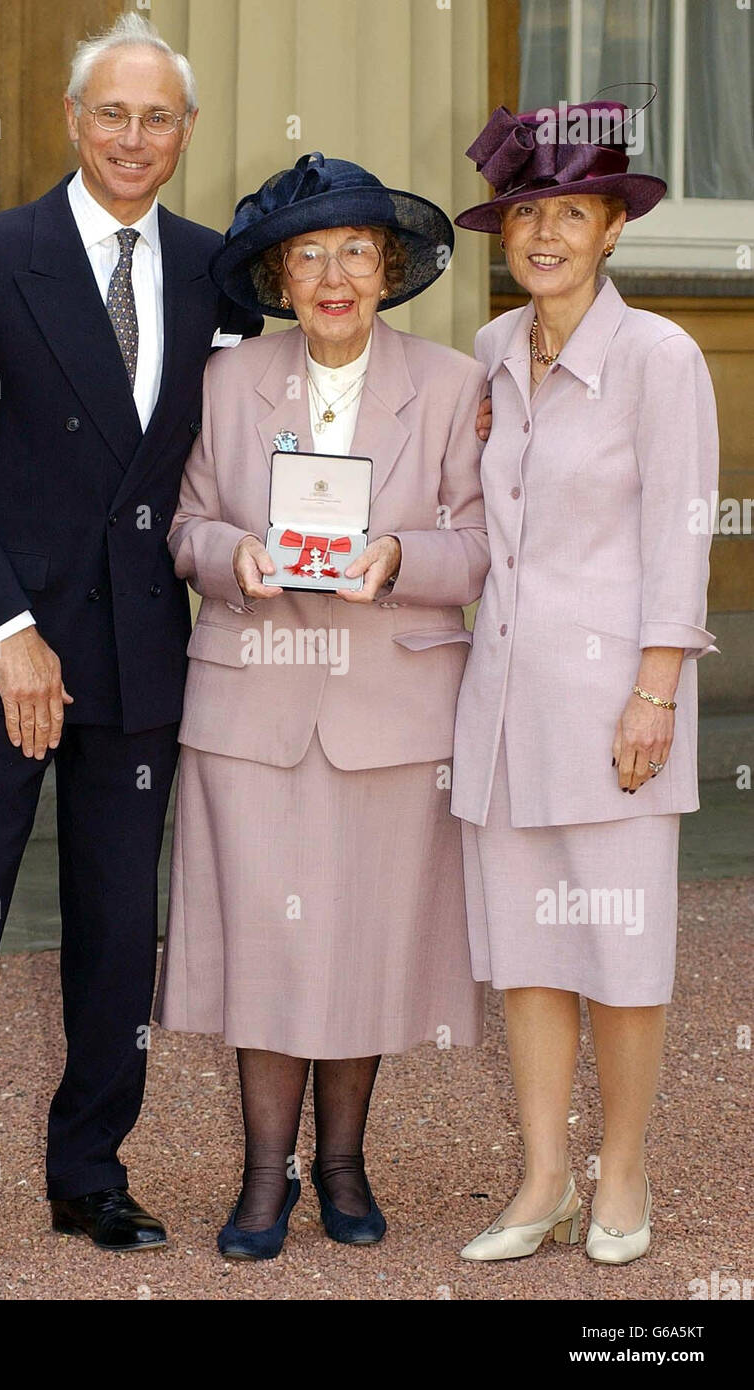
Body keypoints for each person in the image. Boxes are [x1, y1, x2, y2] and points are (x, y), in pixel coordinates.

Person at [0, 13, 261, 1277]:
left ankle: (89, 1173)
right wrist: (8, 634)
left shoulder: (219, 274)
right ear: (70, 119)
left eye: (159, 117)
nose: (134, 137)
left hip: (146, 655)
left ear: (186, 132)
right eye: (113, 113)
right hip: (5, 656)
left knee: (114, 929)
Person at [153, 151, 490, 1260]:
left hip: (392, 716)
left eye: (356, 251)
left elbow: (484, 546)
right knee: (266, 943)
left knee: (363, 945)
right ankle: (264, 1179)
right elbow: (186, 526)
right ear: (280, 278)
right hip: (251, 711)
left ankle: (343, 1165)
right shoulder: (224, 383)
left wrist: (398, 554)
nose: (335, 274)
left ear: (388, 268)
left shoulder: (448, 385)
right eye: (310, 255)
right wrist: (231, 557)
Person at [450, 99, 718, 1264]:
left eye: (571, 211)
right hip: (504, 708)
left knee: (619, 950)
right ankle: (544, 1178)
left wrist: (656, 690)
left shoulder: (662, 356)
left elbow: (682, 534)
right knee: (527, 949)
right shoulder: (492, 352)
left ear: (613, 227)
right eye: (525, 213)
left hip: (618, 708)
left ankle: (625, 1175)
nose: (544, 233)